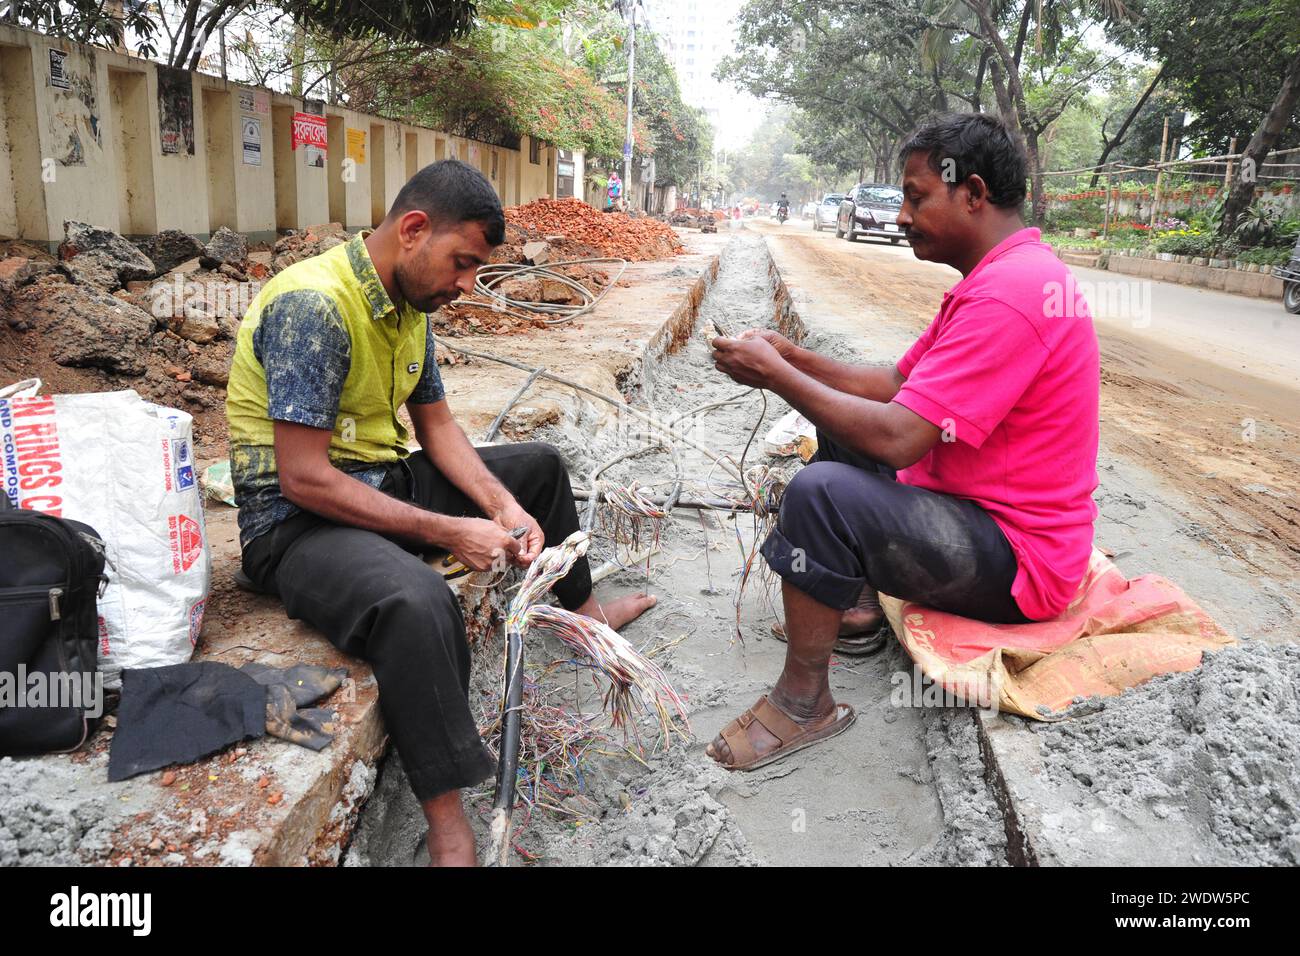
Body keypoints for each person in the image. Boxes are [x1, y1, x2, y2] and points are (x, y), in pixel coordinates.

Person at [226, 160, 656, 863]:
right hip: (296, 523)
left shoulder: (407, 302)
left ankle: (582, 615)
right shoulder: (315, 305)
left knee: (539, 467)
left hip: (378, 481)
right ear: (414, 230)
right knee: (419, 600)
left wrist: (501, 506)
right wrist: (449, 530)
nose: (466, 286)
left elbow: (441, 431)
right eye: (462, 264)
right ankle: (447, 819)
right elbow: (304, 480)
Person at [706, 112, 1099, 771]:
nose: (902, 216)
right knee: (837, 424)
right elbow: (894, 385)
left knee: (821, 494)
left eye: (916, 198)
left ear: (971, 193)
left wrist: (777, 378)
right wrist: (794, 358)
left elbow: (898, 440)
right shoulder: (996, 281)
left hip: (1021, 561)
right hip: (981, 518)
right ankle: (856, 608)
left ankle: (805, 703)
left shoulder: (1014, 294)